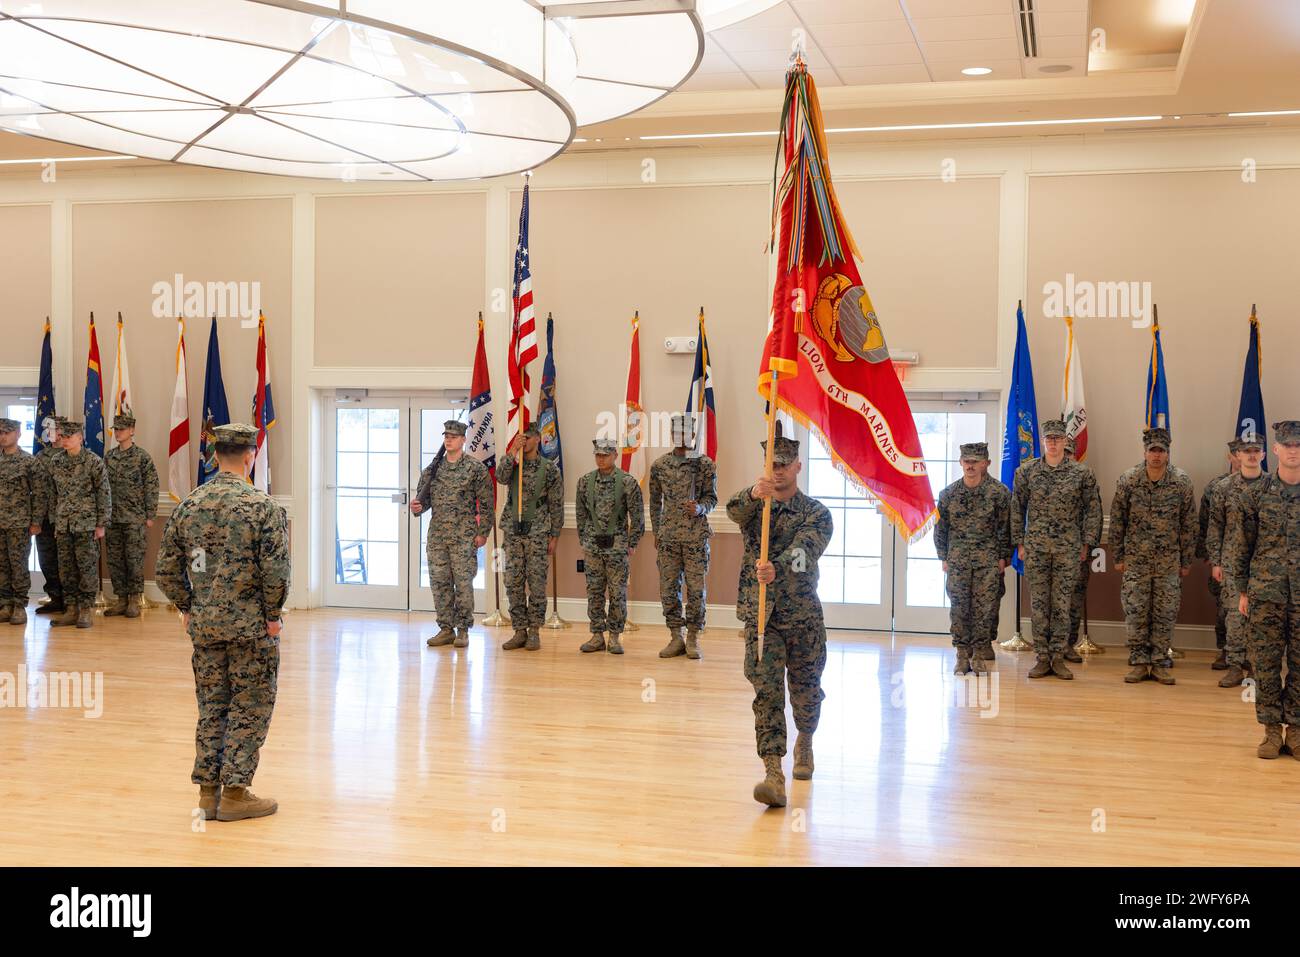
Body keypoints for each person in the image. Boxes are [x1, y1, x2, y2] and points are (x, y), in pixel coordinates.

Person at [157, 423, 289, 821]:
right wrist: (272, 615)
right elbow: (277, 572)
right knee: (249, 705)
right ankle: (235, 792)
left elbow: (165, 571)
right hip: (251, 629)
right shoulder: (262, 507)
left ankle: (206, 794)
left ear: (215, 456)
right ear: (249, 456)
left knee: (212, 706)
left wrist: (188, 607)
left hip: (206, 627)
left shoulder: (189, 504)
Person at [726, 432, 832, 808]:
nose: (780, 471)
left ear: (798, 466)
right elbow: (730, 510)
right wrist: (754, 494)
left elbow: (808, 552)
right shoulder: (757, 506)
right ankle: (773, 773)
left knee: (805, 691)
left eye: (785, 464)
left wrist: (779, 567)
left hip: (802, 616)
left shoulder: (816, 513)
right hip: (761, 617)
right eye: (773, 464)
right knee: (766, 693)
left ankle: (805, 739)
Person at [1227, 420, 1300, 760]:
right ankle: (1272, 731)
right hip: (1265, 593)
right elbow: (1242, 546)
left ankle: (1296, 731)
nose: (1293, 451)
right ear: (1275, 449)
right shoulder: (1255, 494)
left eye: (1298, 445)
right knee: (1266, 665)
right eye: (1287, 445)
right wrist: (1243, 591)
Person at [1011, 419, 1102, 680]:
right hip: (1036, 548)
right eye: (1048, 438)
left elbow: (1093, 509)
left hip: (1068, 549)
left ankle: (1059, 657)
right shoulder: (1026, 472)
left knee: (1062, 605)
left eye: (1057, 438)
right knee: (1039, 605)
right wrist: (1019, 542)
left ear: (1065, 441)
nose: (1052, 443)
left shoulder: (1082, 473)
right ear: (1042, 441)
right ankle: (1041, 657)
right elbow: (1017, 508)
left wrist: (1087, 543)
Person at [1108, 427, 1196, 685]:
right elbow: (1117, 521)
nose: (1156, 455)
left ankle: (1158, 662)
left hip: (1169, 562)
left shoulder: (1181, 481)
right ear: (1145, 452)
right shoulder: (1129, 480)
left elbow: (1189, 524)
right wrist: (1118, 556)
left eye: (1161, 451)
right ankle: (1138, 662)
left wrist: (1186, 560)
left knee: (1165, 612)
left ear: (1168, 453)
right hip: (1136, 561)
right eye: (1152, 450)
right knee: (1135, 611)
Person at [411, 420, 494, 649]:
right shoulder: (433, 469)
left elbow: (487, 503)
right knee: (439, 583)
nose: (449, 439)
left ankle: (463, 630)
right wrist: (417, 507)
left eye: (454, 436)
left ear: (463, 440)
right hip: (438, 536)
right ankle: (445, 628)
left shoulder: (474, 468)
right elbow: (423, 501)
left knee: (463, 584)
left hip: (464, 535)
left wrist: (483, 532)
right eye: (446, 435)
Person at [935, 442, 1010, 675]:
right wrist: (943, 557)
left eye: (975, 461)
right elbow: (941, 529)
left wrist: (1003, 558)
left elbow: (1006, 528)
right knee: (959, 609)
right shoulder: (948, 494)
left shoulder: (999, 493)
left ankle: (979, 654)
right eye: (966, 461)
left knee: (985, 609)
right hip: (957, 561)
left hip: (987, 561)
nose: (970, 465)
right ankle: (961, 654)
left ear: (986, 464)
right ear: (960, 463)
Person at [648, 412, 716, 660]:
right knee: (668, 588)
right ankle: (676, 635)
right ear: (671, 435)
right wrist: (657, 531)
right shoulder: (660, 466)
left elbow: (712, 498)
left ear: (692, 435)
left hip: (695, 537)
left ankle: (693, 636)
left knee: (696, 589)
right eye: (676, 433)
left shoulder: (704, 464)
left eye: (685, 433)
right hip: (668, 538)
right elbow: (654, 503)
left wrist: (699, 508)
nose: (681, 437)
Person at [38, 419, 110, 630]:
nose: (65, 440)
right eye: (63, 437)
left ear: (80, 438)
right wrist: (55, 521)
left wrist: (101, 524)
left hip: (86, 524)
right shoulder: (56, 461)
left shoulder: (93, 462)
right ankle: (71, 609)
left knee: (86, 568)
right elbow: (52, 493)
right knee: (66, 569)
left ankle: (85, 610)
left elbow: (104, 493)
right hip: (63, 524)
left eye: (70, 436)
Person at [497, 423, 563, 651]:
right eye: (520, 437)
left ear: (537, 440)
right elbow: (500, 477)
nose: (524, 441)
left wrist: (554, 536)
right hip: (513, 532)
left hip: (538, 532)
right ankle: (519, 630)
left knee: (536, 584)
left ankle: (534, 631)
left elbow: (557, 504)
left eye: (528, 438)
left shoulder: (549, 469)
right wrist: (512, 451)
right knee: (513, 583)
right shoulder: (513, 465)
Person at [1205, 435, 1265, 687]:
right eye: (1246, 451)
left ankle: (1258, 667)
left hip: (1265, 563)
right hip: (1231, 561)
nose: (1251, 455)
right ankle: (1235, 667)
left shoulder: (1273, 487)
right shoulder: (1223, 488)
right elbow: (1215, 526)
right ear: (1237, 455)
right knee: (1234, 616)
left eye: (1256, 450)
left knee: (1261, 616)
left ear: (1263, 454)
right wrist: (1216, 561)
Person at [575, 438, 644, 655]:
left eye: (605, 455)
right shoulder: (585, 481)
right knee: (594, 591)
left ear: (615, 455)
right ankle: (597, 635)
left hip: (617, 546)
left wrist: (632, 543)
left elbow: (638, 516)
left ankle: (614, 637)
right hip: (593, 546)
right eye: (597, 455)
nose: (601, 459)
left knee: (617, 592)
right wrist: (584, 540)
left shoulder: (627, 482)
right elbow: (581, 514)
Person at [103, 412, 159, 617]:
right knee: (115, 560)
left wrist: (150, 514)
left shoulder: (142, 457)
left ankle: (135, 599)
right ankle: (121, 599)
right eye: (116, 429)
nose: (118, 433)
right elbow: (102, 487)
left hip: (134, 517)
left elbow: (152, 486)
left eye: (122, 429)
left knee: (134, 559)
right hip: (113, 518)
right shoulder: (109, 457)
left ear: (132, 431)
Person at [1198, 445, 1238, 669]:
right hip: (1223, 558)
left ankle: (1247, 655)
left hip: (1256, 562)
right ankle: (1225, 650)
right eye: (1238, 452)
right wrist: (1209, 554)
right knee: (1224, 608)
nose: (1243, 457)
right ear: (1231, 456)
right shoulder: (1216, 487)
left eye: (1250, 451)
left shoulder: (1267, 485)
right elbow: (1206, 522)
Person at [1064, 436, 1100, 662]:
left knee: (1074, 600)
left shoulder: (1085, 478)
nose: (1066, 457)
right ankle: (1048, 647)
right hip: (1049, 550)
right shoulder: (1040, 477)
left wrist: (1087, 544)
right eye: (1063, 452)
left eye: (1069, 453)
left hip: (1077, 550)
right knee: (1048, 601)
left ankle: (1067, 644)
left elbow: (1094, 513)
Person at [0, 417, 36, 625]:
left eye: (7, 432)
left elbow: (39, 494)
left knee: (18, 565)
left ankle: (19, 606)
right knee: (2, 566)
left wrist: (36, 521)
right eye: (1, 433)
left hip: (19, 524)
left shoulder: (28, 462)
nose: (3, 436)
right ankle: (5, 605)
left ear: (18, 434)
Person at [31, 415, 65, 615]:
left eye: (58, 430)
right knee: (46, 560)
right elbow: (35, 489)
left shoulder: (74, 455)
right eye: (50, 430)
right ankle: (55, 597)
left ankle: (71, 600)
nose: (55, 434)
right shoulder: (40, 457)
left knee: (67, 561)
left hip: (66, 517)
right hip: (44, 517)